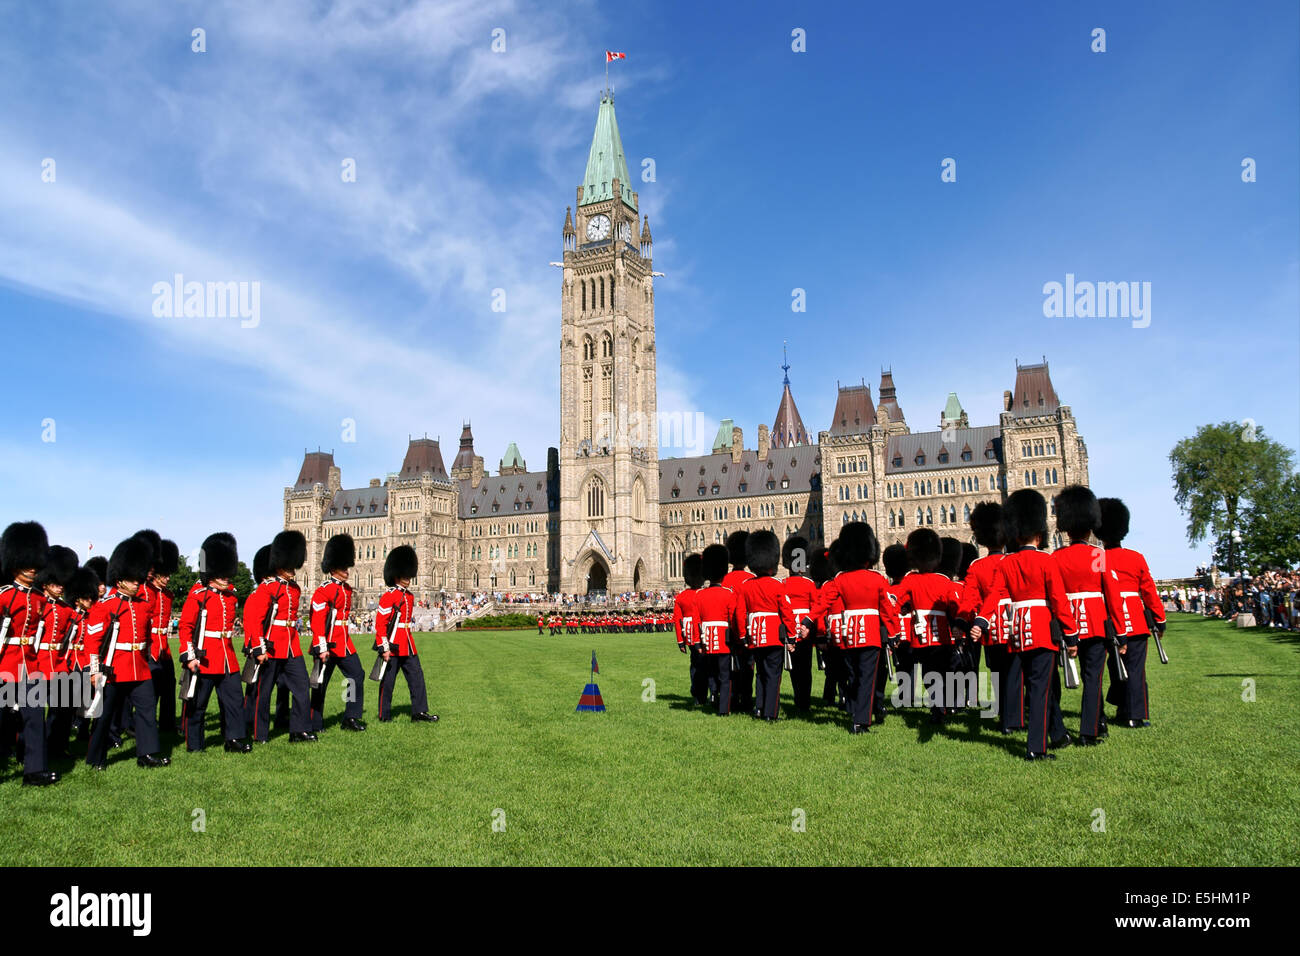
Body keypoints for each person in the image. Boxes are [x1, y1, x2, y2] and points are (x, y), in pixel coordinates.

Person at [971, 490, 1078, 761]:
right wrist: (1072, 634)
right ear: (1039, 534)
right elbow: (1058, 600)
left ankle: (1058, 733)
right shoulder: (1047, 560)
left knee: (1035, 685)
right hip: (1042, 630)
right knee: (1042, 688)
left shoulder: (1006, 563)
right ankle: (1036, 748)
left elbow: (995, 594)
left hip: (1018, 632)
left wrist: (982, 621)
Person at [800, 522, 900, 734]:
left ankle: (855, 709)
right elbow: (887, 610)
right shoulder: (878, 579)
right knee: (866, 677)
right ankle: (861, 720)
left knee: (853, 675)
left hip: (849, 635)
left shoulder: (840, 579)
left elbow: (823, 602)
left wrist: (809, 620)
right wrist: (894, 633)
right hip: (871, 634)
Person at [84, 536, 170, 770]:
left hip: (139, 668)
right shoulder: (105, 606)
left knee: (147, 710)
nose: (137, 584)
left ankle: (147, 753)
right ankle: (96, 758)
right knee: (105, 715)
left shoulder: (142, 605)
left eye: (138, 580)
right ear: (119, 580)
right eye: (132, 580)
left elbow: (147, 636)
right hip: (113, 668)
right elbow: (92, 642)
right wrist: (93, 671)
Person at [1097, 498, 1166, 729]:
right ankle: (1134, 715)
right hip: (1135, 619)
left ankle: (1120, 707)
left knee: (1116, 666)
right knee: (1135, 668)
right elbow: (1149, 592)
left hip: (1108, 618)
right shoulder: (1135, 557)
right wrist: (1160, 619)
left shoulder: (1099, 558)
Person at [954, 503, 1022, 734]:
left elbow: (969, 598)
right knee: (1014, 673)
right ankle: (1012, 719)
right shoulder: (1013, 561)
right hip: (1013, 623)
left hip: (989, 626)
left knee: (997, 672)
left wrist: (961, 622)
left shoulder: (977, 566)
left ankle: (1003, 715)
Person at [0, 522, 59, 785]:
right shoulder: (4, 595)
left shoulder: (38, 598)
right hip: (5, 663)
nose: (33, 568)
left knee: (35, 718)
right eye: (27, 563)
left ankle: (34, 771)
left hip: (30, 663)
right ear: (15, 563)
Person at [178, 533, 249, 753]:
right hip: (205, 657)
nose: (228, 578)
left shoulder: (230, 597)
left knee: (235, 700)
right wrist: (189, 656)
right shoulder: (199, 596)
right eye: (223, 573)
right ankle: (195, 744)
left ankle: (234, 739)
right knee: (198, 703)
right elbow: (185, 627)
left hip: (227, 657)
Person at [245, 532, 316, 742]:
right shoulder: (268, 588)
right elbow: (254, 620)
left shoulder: (294, 589)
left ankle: (299, 730)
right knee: (263, 692)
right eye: (289, 565)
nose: (292, 570)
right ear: (279, 565)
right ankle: (260, 734)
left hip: (292, 646)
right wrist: (258, 648)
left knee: (302, 686)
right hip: (271, 644)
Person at [895, 529, 960, 723]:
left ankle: (937, 707)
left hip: (921, 636)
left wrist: (905, 608)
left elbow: (896, 601)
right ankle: (943, 706)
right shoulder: (944, 581)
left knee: (929, 673)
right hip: (942, 635)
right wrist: (957, 624)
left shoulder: (910, 580)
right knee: (943, 671)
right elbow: (954, 606)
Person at [737, 530, 798, 722]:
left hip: (755, 634)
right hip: (773, 635)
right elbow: (786, 612)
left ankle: (759, 708)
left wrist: (742, 635)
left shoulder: (746, 585)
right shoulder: (778, 585)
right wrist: (792, 636)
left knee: (761, 673)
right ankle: (770, 713)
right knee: (773, 675)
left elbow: (740, 613)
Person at [373, 545, 438, 723]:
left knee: (417, 678)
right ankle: (384, 714)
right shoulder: (389, 596)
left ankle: (419, 712)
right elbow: (381, 624)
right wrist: (384, 647)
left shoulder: (409, 596)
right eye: (404, 574)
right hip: (393, 643)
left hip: (407, 643)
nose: (408, 578)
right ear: (396, 575)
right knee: (388, 682)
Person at [309, 534, 364, 735]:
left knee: (355, 675)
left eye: (347, 567)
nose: (346, 571)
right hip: (327, 642)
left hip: (344, 642)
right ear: (333, 568)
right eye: (343, 568)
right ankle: (314, 722)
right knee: (320, 683)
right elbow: (317, 620)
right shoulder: (324, 590)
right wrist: (321, 645)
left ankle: (350, 716)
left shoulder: (347, 590)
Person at [47, 567, 99, 758]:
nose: (90, 601)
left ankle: (61, 746)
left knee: (72, 708)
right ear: (77, 598)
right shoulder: (70, 614)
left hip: (81, 664)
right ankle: (52, 744)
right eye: (86, 598)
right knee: (59, 709)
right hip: (67, 662)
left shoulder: (87, 616)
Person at [34, 546, 79, 761]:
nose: (60, 587)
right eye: (55, 583)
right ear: (45, 583)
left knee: (61, 710)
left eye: (62, 583)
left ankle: (57, 747)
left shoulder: (66, 609)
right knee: (31, 713)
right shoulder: (36, 604)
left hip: (59, 663)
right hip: (38, 662)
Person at [695, 544, 743, 715]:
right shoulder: (729, 594)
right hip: (724, 641)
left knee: (711, 673)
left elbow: (696, 621)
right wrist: (738, 639)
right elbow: (733, 620)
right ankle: (723, 709)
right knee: (725, 676)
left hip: (707, 640)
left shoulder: (700, 595)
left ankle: (713, 696)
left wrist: (697, 643)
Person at [781, 535, 818, 712]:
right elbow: (815, 608)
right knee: (806, 669)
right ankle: (805, 701)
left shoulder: (783, 584)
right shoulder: (809, 584)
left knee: (794, 669)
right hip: (806, 629)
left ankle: (798, 698)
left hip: (790, 630)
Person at [722, 531, 756, 714]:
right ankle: (747, 699)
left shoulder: (725, 580)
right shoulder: (751, 580)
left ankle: (732, 700)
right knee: (748, 667)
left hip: (729, 631)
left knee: (731, 669)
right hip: (747, 631)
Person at [672, 553, 707, 706]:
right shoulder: (705, 594)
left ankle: (697, 694)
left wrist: (680, 641)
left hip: (690, 636)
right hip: (705, 634)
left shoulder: (681, 597)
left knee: (695, 664)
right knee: (707, 665)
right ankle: (710, 694)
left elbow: (677, 620)